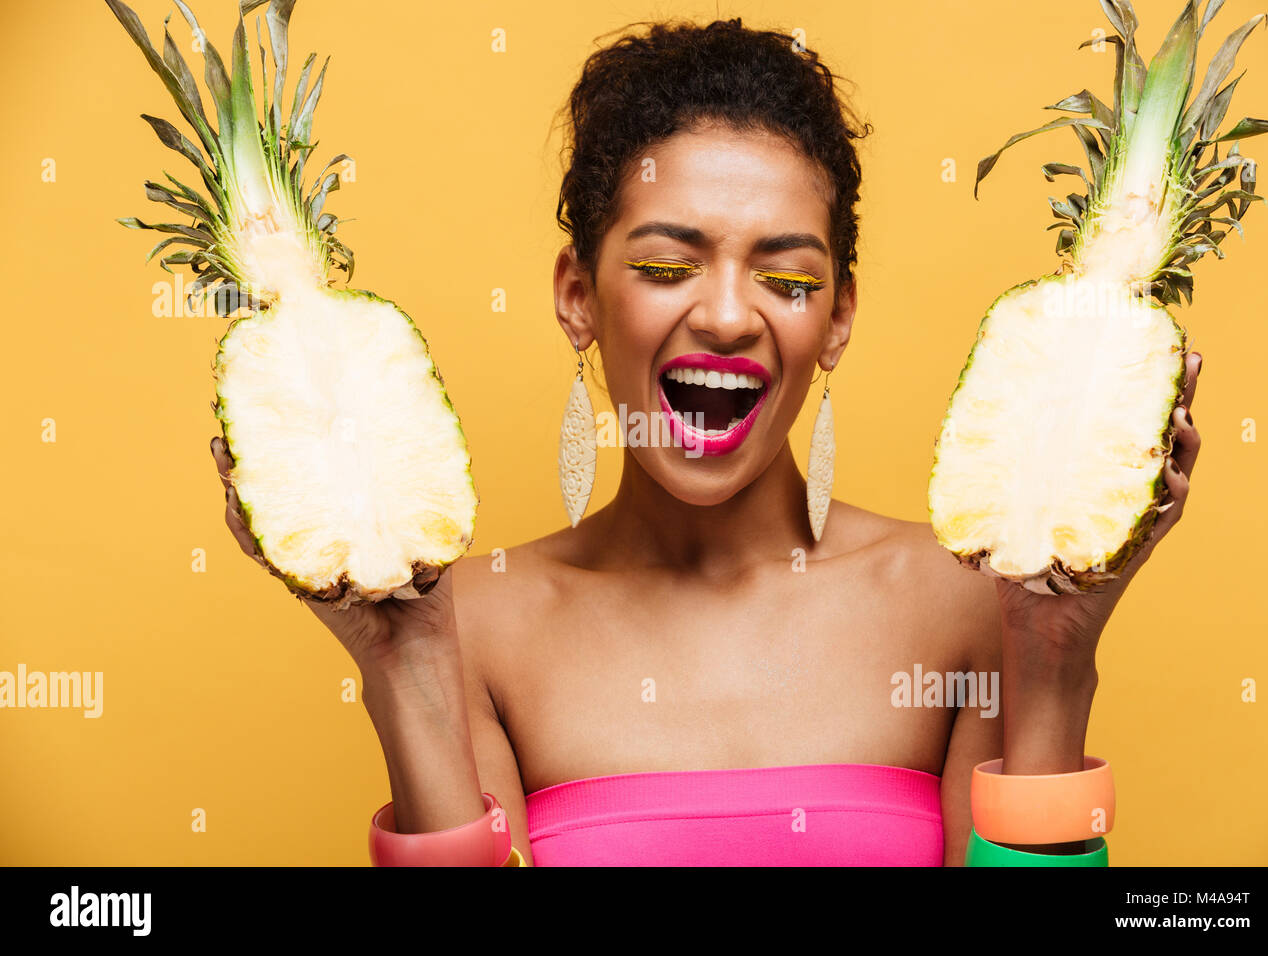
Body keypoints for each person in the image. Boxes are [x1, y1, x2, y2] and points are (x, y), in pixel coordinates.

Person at [212, 18, 1201, 866]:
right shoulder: (467, 624)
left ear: (838, 317)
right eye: (663, 262)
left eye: (787, 276)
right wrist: (405, 664)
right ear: (576, 295)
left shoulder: (968, 603)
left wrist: (1054, 655)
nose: (727, 315)